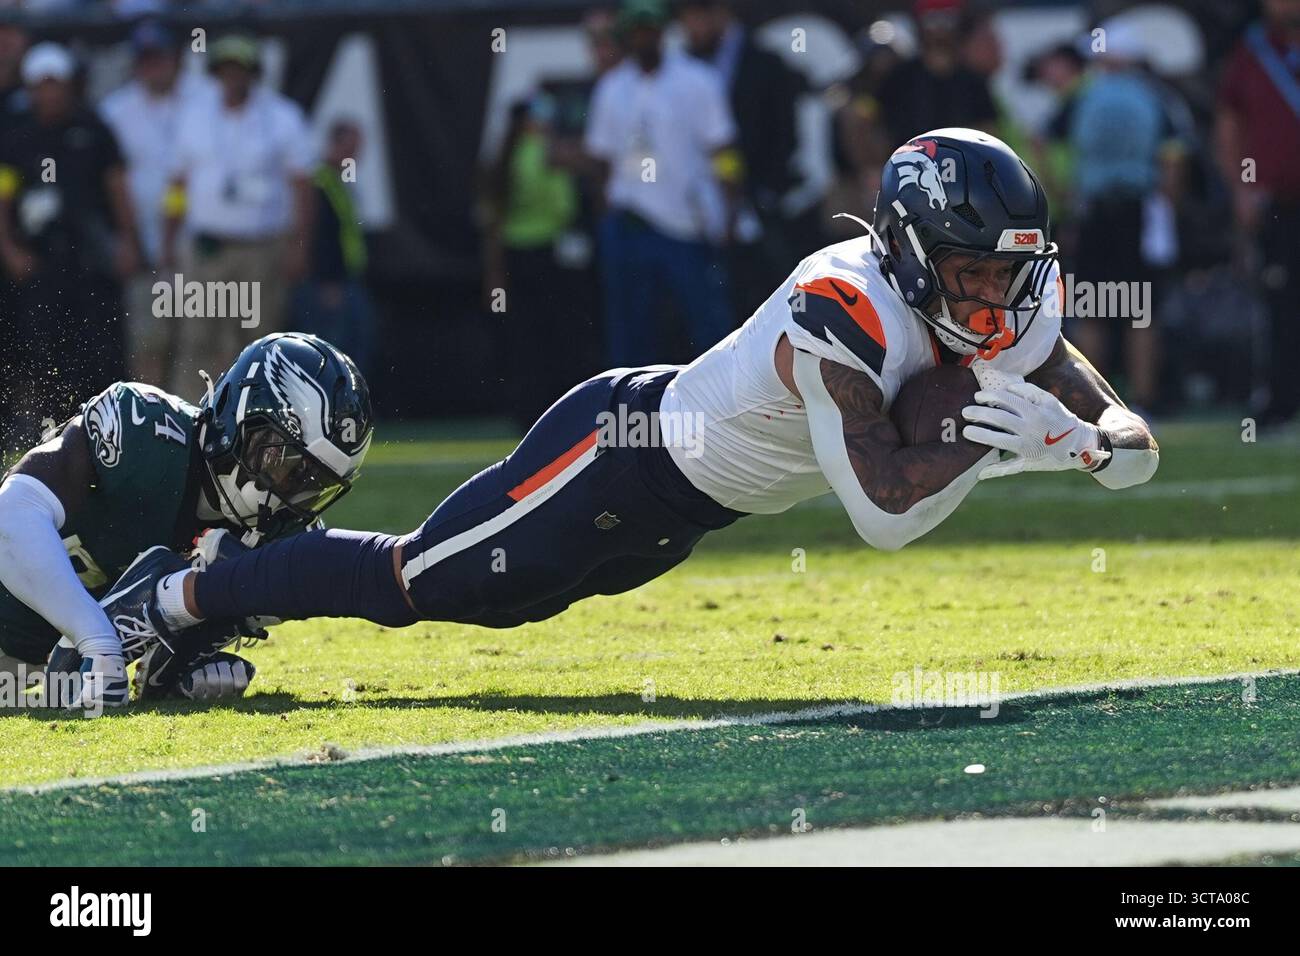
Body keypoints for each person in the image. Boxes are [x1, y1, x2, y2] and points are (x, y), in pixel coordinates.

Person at [88, 130, 1158, 706]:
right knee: (415, 582)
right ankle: (179, 591)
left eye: (1008, 275)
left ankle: (222, 575)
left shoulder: (1011, 304)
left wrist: (1092, 446)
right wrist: (994, 443)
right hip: (619, 449)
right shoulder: (841, 307)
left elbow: (1128, 444)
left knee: (494, 608)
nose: (994, 305)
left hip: (690, 508)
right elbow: (881, 513)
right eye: (971, 272)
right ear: (913, 248)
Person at [0, 333, 373, 710]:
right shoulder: (148, 433)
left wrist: (179, 662)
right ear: (242, 418)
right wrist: (94, 636)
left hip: (25, 669)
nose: (291, 499)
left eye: (313, 486)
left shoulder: (280, 535)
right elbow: (12, 512)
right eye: (288, 467)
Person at [0, 42, 141, 449]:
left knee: (101, 350)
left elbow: (117, 187)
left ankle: (107, 434)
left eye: (55, 85)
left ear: (69, 86)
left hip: (89, 264)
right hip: (39, 263)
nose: (49, 94)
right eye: (40, 86)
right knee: (40, 352)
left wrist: (128, 242)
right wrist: (8, 249)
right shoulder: (16, 135)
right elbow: (4, 196)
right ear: (30, 89)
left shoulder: (94, 128)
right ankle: (47, 436)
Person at [161, 34, 315, 402]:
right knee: (198, 334)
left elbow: (302, 187)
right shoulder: (195, 116)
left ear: (254, 74)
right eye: (226, 70)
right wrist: (168, 239)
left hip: (261, 247)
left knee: (259, 340)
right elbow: (178, 185)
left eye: (240, 70)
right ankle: (189, 416)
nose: (233, 77)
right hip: (206, 246)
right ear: (216, 73)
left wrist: (299, 246)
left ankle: (257, 417)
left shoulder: (282, 117)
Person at [585, 0, 738, 365]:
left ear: (662, 33)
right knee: (630, 330)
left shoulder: (697, 80)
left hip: (684, 224)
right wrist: (604, 215)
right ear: (625, 37)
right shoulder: (612, 87)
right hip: (630, 223)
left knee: (708, 326)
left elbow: (724, 150)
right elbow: (601, 160)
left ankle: (720, 411)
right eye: (636, 33)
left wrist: (730, 210)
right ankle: (632, 413)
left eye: (650, 31)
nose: (643, 39)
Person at [100, 19, 217, 386]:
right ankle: (148, 425)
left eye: (159, 57)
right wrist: (125, 238)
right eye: (145, 58)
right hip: (145, 244)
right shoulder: (115, 110)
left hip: (200, 243)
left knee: (200, 342)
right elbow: (108, 181)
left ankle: (199, 428)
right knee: (148, 342)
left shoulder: (207, 98)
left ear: (177, 58)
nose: (153, 65)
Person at [680, 0, 805, 323]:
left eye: (696, 16)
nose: (689, 28)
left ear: (720, 12)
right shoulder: (681, 67)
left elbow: (785, 134)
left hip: (758, 208)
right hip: (699, 211)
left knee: (771, 299)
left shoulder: (766, 62)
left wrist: (759, 194)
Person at [1217, 0, 1300, 428]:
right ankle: (1282, 399)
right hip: (1281, 205)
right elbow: (1231, 121)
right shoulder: (1252, 52)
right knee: (1282, 303)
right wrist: (1241, 188)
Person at [292, 119, 377, 380]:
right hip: (328, 282)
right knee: (329, 350)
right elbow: (319, 234)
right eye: (350, 148)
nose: (355, 156)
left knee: (354, 345)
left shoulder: (340, 183)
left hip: (345, 278)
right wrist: (326, 280)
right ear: (335, 144)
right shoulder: (320, 182)